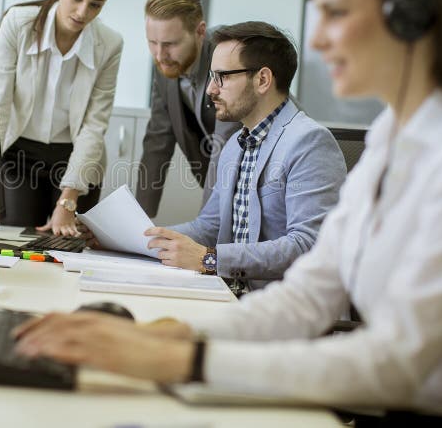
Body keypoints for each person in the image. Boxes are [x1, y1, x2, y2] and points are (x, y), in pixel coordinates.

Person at [13, 0, 442, 424]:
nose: (316, 41)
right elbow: (309, 293)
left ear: (410, 17)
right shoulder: (392, 139)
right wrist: (172, 337)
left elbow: (396, 360)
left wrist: (187, 360)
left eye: (336, 13)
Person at [143, 21, 346, 289]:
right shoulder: (236, 146)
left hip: (281, 310)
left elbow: (307, 245)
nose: (210, 90)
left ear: (262, 80)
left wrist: (210, 259)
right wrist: (139, 239)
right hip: (232, 296)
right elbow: (209, 227)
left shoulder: (309, 142)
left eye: (222, 77)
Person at [0, 0, 123, 236]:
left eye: (96, 5)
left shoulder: (109, 44)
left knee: (68, 246)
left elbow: (93, 127)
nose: (83, 13)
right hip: (20, 152)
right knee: (13, 239)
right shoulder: (18, 24)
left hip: (76, 157)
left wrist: (68, 199)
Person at [136, 0, 241, 217]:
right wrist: (138, 222)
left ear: (200, 31)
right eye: (152, 43)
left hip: (266, 184)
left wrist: (206, 224)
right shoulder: (165, 65)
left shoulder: (228, 55)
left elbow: (224, 144)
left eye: (170, 44)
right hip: (223, 191)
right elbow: (157, 141)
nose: (160, 55)